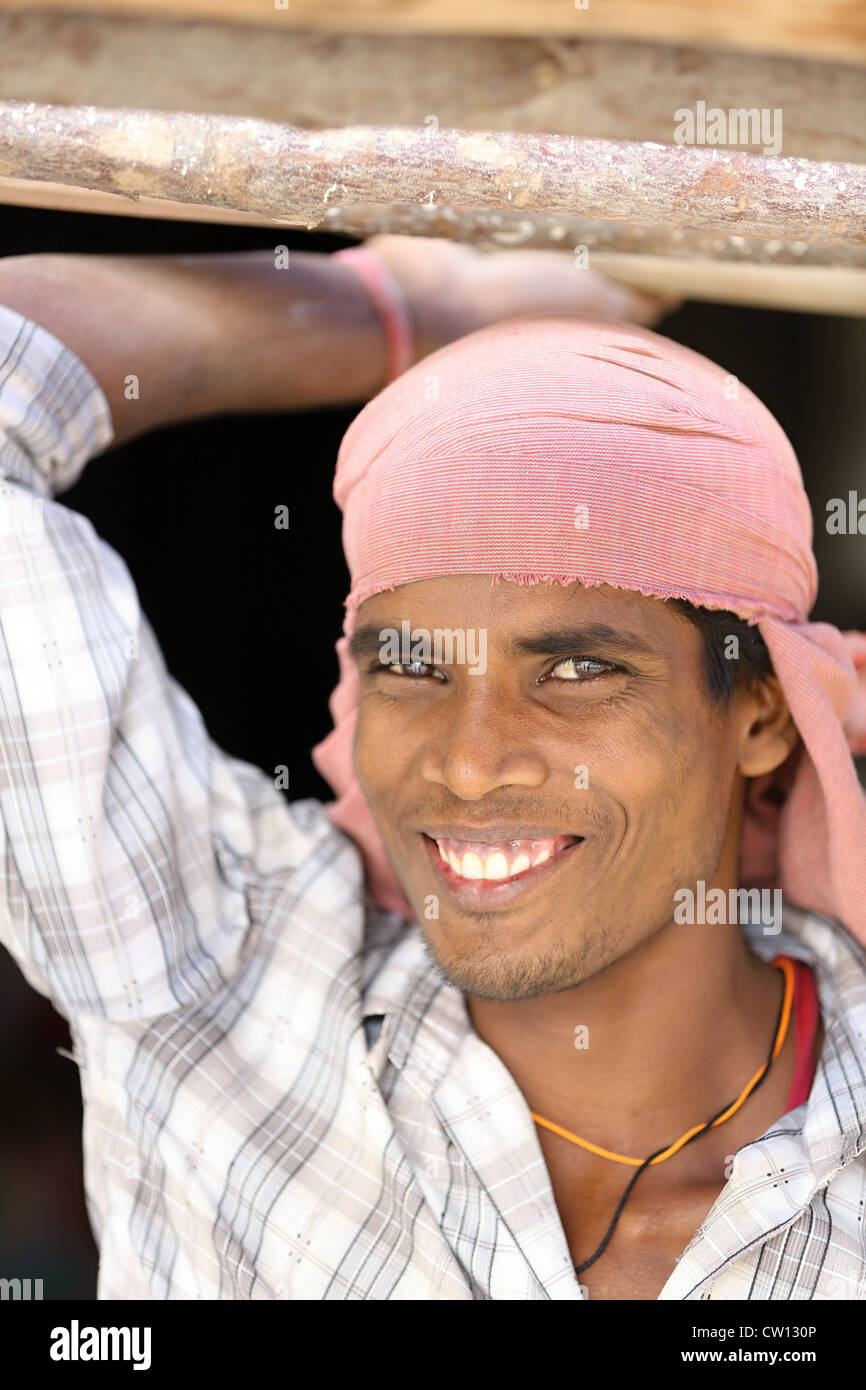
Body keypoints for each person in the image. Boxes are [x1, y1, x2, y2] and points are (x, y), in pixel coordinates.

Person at [0, 236, 862, 1302]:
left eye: (578, 667)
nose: (467, 760)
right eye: (411, 668)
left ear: (763, 715)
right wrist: (420, 302)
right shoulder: (212, 979)